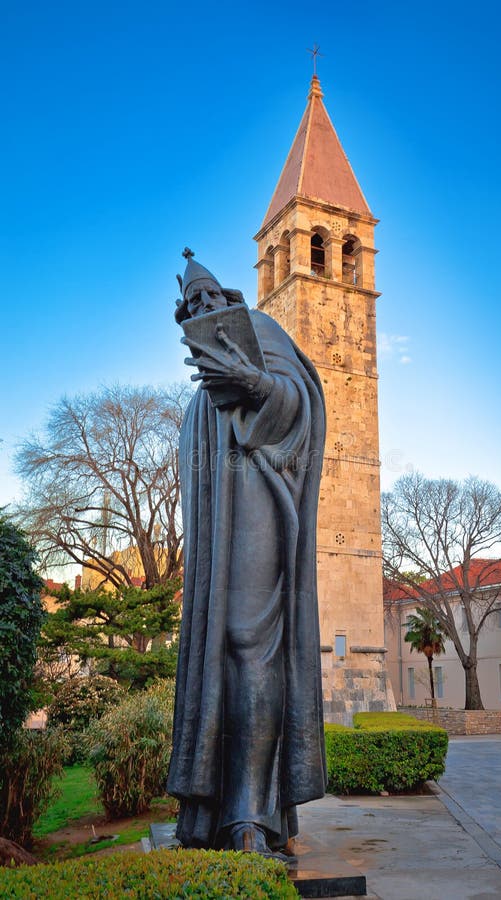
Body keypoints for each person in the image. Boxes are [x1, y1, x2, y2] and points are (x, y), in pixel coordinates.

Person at [166, 249, 327, 859]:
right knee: (215, 650)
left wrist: (253, 383)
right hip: (217, 531)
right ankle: (209, 814)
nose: (204, 309)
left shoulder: (260, 329)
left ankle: (248, 818)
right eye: (192, 307)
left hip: (260, 497)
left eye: (212, 300)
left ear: (231, 301)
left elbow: (303, 399)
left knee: (249, 641)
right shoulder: (196, 389)